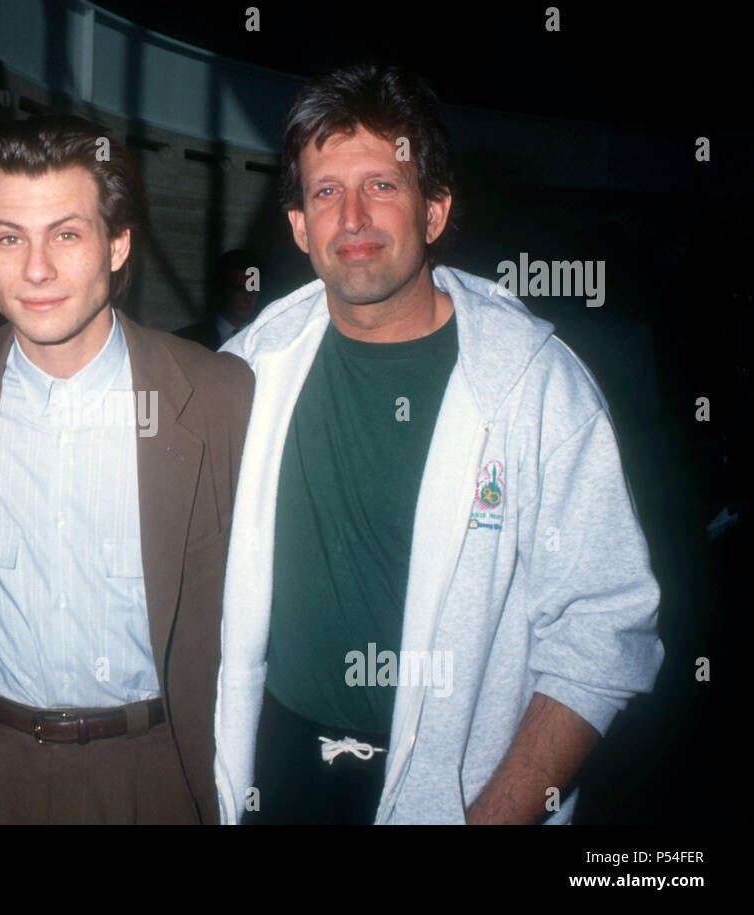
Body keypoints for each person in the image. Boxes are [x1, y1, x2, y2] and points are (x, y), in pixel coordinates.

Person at [213, 63, 663, 824]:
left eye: (383, 186)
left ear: (435, 211)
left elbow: (603, 633)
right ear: (299, 226)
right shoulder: (248, 370)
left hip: (457, 788)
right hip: (278, 771)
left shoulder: (535, 389)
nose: (352, 216)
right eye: (326, 191)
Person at [0, 115, 253, 823]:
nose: (37, 269)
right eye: (9, 238)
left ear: (117, 244)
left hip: (157, 767)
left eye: (67, 233)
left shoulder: (219, 398)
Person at [175, 248, 263, 349]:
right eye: (239, 289)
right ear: (221, 289)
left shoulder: (269, 340)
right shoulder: (184, 341)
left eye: (253, 289)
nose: (248, 298)